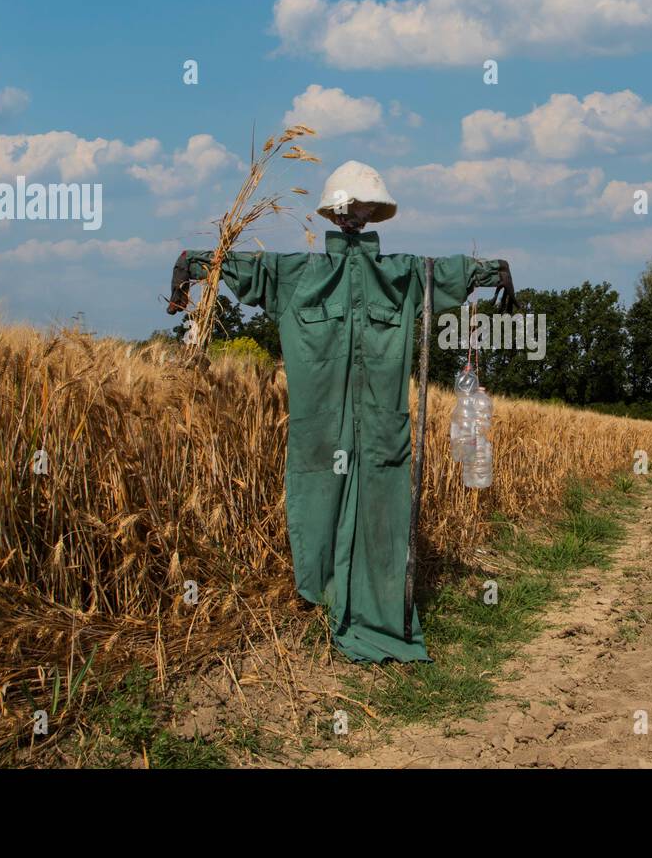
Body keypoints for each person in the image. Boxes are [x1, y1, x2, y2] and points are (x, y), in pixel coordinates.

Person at [167, 160, 514, 662]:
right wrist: (193, 266)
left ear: (374, 213)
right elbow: (241, 266)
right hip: (319, 431)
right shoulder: (296, 274)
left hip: (381, 429)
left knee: (384, 510)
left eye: (363, 208)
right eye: (348, 209)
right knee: (316, 500)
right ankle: (327, 599)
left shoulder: (403, 275)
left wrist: (490, 271)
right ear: (333, 214)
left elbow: (445, 273)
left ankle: (381, 609)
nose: (354, 217)